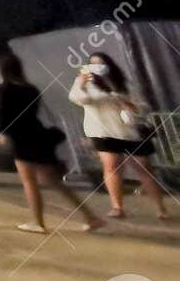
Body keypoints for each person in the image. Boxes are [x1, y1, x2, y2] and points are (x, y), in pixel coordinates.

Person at [0, 51, 101, 234]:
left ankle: (38, 223)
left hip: (20, 139)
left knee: (30, 182)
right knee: (53, 181)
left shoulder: (4, 89)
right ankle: (90, 217)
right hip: (38, 136)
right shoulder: (30, 88)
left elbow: (0, 115)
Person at [69, 52, 171, 221]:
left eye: (101, 63)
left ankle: (161, 208)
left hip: (129, 131)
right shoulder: (85, 82)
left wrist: (129, 104)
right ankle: (117, 207)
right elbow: (80, 99)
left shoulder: (123, 83)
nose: (98, 67)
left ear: (109, 65)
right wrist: (81, 84)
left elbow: (143, 106)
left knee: (144, 167)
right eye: (93, 63)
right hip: (101, 130)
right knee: (111, 166)